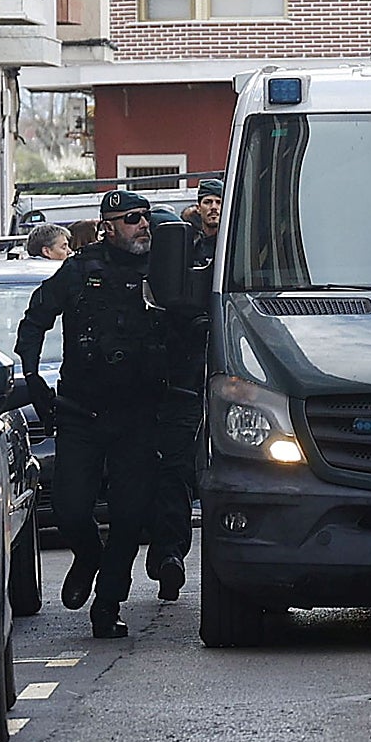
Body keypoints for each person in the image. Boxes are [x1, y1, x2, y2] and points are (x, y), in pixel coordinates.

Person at [15, 190, 169, 639]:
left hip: (139, 413)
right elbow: (36, 318)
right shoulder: (80, 269)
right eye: (131, 219)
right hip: (82, 410)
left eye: (144, 218)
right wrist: (32, 377)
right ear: (108, 226)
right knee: (69, 507)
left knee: (128, 515)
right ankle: (86, 555)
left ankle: (108, 604)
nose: (143, 226)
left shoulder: (162, 269)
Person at [143, 207, 209, 600]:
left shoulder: (188, 284)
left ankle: (169, 554)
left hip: (176, 396)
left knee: (172, 476)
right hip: (121, 403)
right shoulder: (112, 275)